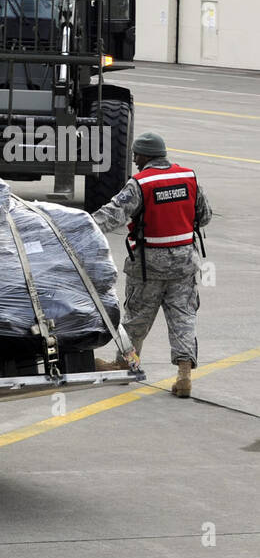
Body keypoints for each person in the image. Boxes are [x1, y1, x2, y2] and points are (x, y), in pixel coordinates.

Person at [92, 132, 212, 397]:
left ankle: (125, 365)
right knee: (183, 317)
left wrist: (78, 226)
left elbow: (111, 217)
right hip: (184, 263)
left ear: (147, 155)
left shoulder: (141, 183)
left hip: (149, 265)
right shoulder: (188, 177)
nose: (134, 159)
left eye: (136, 155)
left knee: (136, 318)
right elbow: (204, 216)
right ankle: (184, 375)